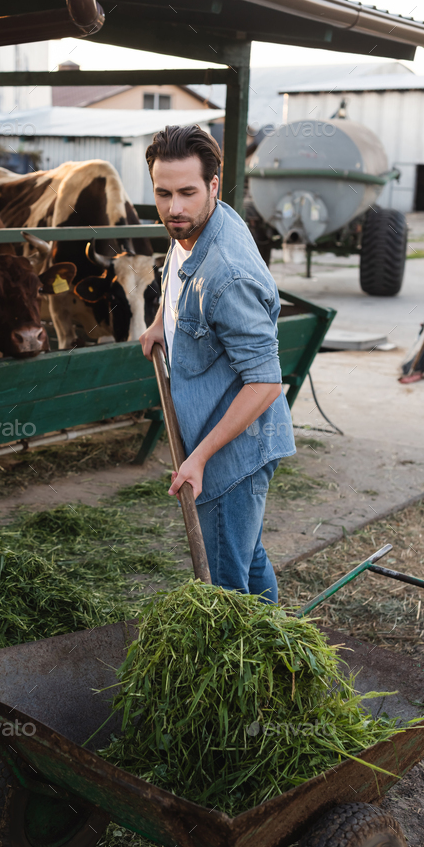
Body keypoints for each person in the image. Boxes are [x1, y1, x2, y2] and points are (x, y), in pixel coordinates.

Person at [139, 124, 295, 603]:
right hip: (211, 428)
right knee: (244, 556)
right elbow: (174, 272)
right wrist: (160, 323)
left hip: (234, 451)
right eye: (162, 193)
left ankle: (246, 671)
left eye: (187, 192)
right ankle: (277, 648)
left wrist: (200, 457)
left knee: (226, 581)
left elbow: (267, 382)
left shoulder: (227, 274)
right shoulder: (190, 226)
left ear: (213, 185)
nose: (174, 208)